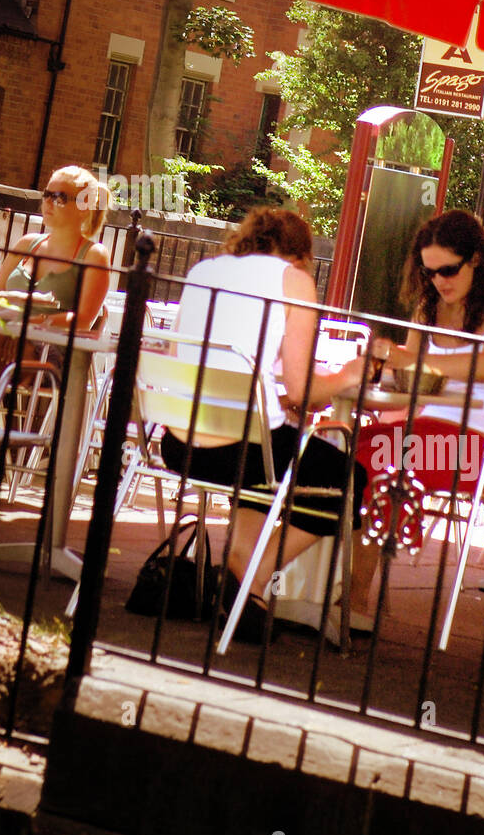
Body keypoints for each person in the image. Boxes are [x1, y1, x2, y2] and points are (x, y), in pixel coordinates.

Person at [158, 206, 371, 642]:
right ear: (299, 254)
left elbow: (181, 354)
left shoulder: (203, 271)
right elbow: (300, 389)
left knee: (271, 455)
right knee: (346, 476)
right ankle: (248, 582)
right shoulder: (293, 280)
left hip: (179, 443)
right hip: (242, 449)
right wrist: (351, 374)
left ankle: (239, 568)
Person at [352, 208, 484, 596]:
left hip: (481, 448)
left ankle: (354, 598)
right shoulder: (428, 308)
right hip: (425, 435)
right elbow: (412, 383)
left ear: (476, 260)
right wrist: (370, 376)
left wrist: (413, 360)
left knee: (374, 463)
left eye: (448, 270)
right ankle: (321, 587)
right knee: (340, 457)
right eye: (429, 272)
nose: (438, 281)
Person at [0, 165, 111, 331]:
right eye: (47, 195)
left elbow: (83, 320)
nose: (48, 202)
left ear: (84, 208)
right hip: (5, 332)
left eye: (59, 197)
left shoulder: (94, 255)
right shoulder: (26, 244)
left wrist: (30, 325)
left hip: (52, 344)